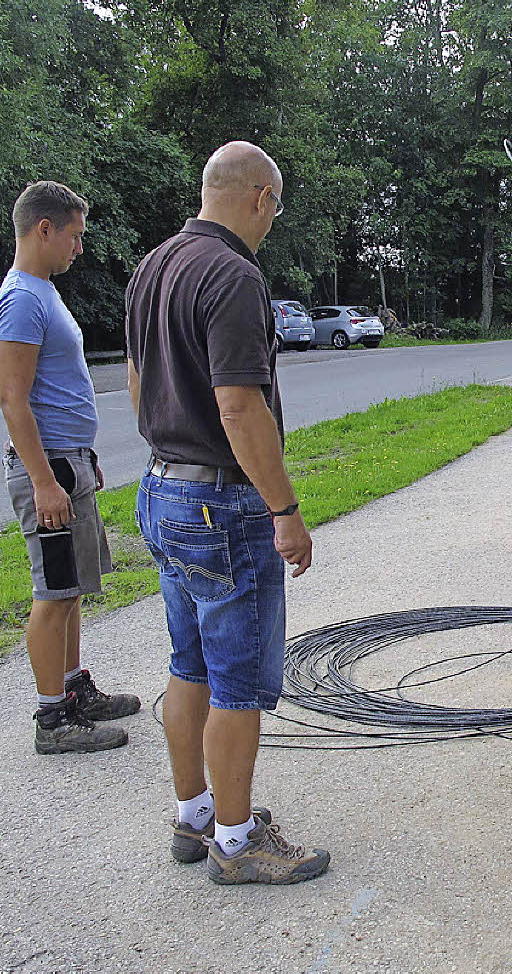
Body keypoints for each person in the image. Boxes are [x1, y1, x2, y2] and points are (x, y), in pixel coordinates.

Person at [125, 141, 330, 885]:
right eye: (275, 206)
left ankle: (195, 814)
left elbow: (138, 381)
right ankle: (239, 844)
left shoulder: (153, 264)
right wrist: (284, 508)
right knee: (238, 680)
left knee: (190, 668)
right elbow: (239, 406)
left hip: (161, 488)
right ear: (258, 197)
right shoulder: (233, 275)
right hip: (221, 502)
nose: (272, 220)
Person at [0, 181, 140, 754]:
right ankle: (52, 718)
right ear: (44, 229)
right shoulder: (21, 298)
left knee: (74, 587)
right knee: (53, 592)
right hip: (48, 469)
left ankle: (74, 687)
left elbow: (58, 389)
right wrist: (43, 479)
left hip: (69, 462)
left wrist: (84, 457)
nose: (80, 249)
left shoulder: (44, 291)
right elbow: (13, 397)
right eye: (76, 236)